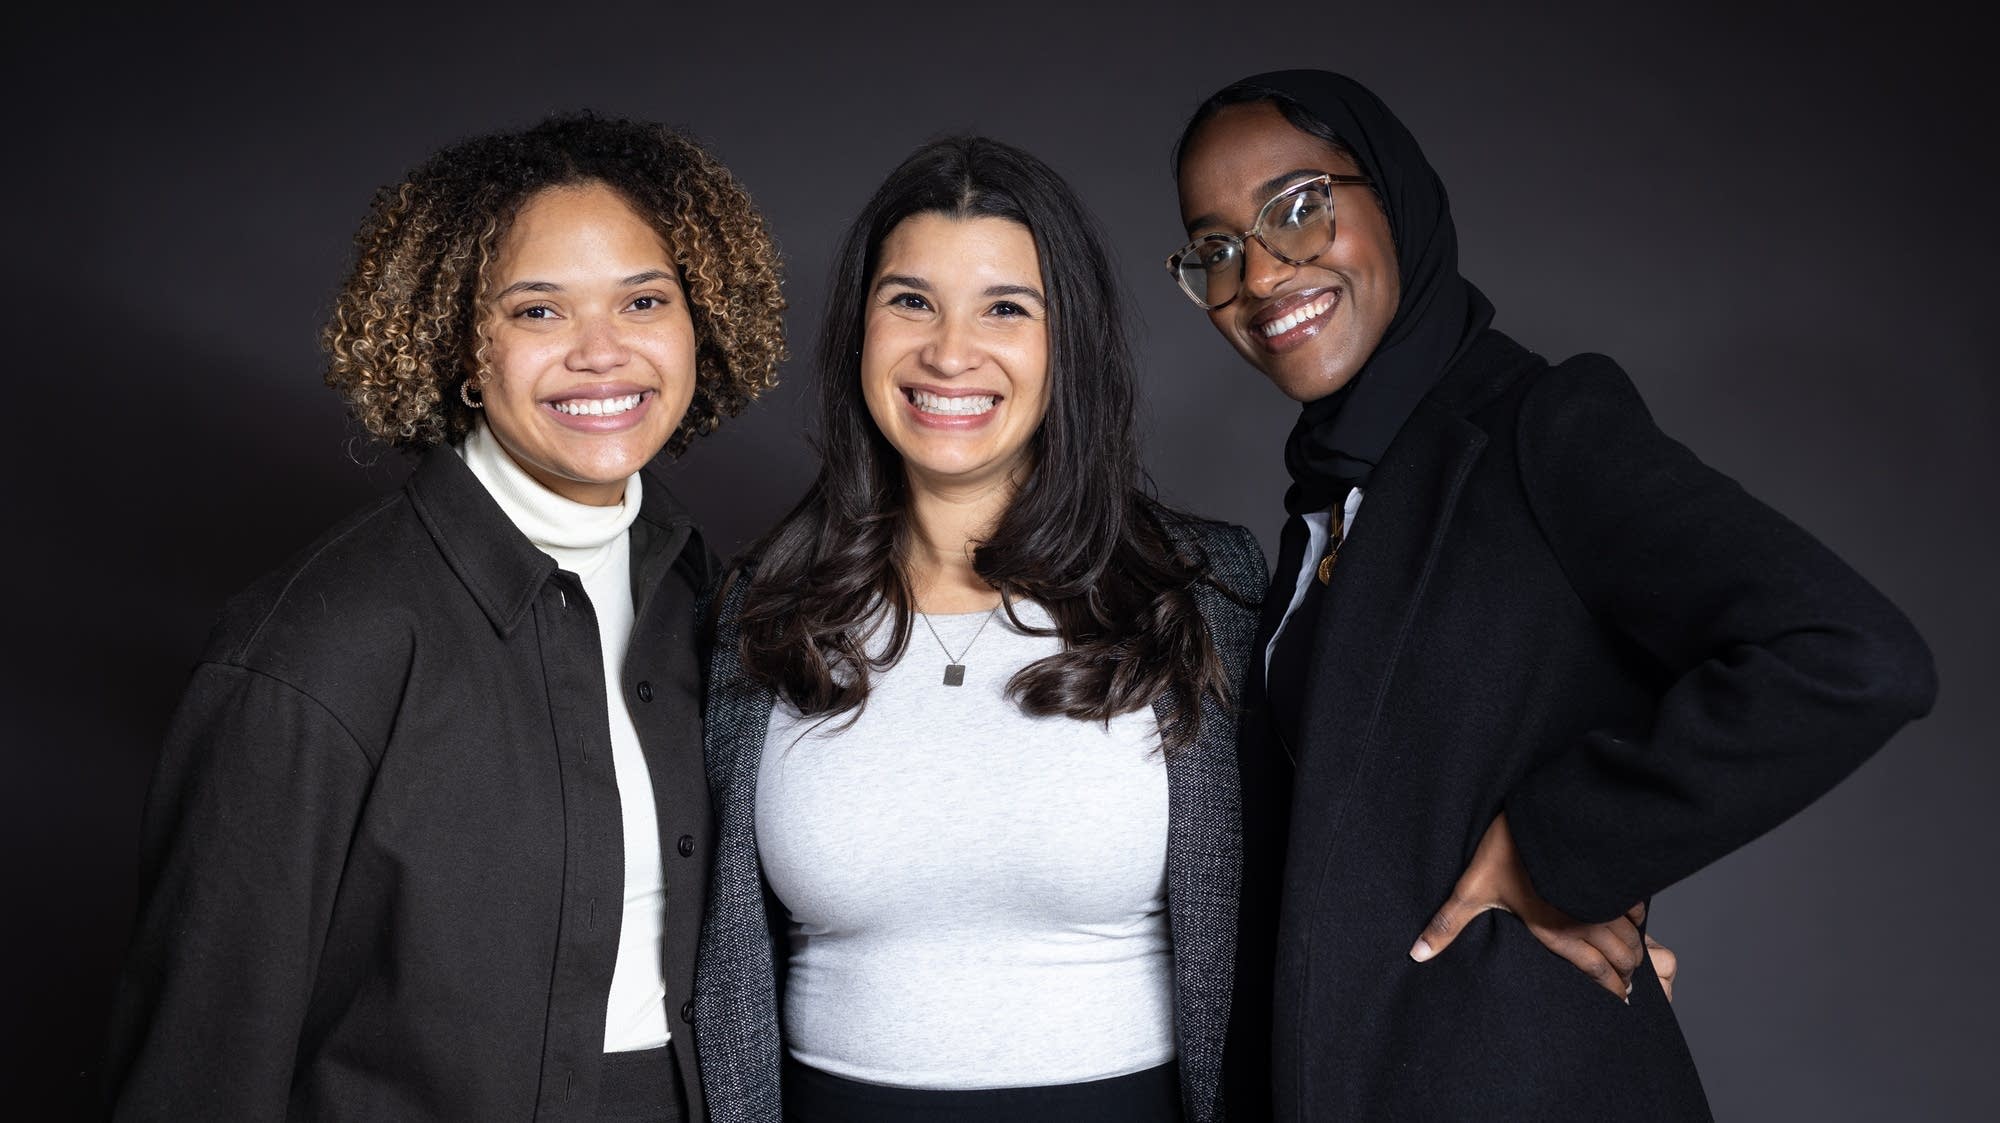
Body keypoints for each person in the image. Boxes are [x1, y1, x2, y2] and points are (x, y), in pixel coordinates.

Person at [1167, 69, 1937, 1119]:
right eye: (1214, 248)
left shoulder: (1531, 428)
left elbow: (1849, 654)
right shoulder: (1334, 499)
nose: (1258, 273)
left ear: (1390, 197)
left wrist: (1560, 847)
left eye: (1298, 208)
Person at [104, 113, 786, 1122]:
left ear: (701, 323)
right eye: (537, 312)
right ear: (462, 351)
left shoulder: (707, 600)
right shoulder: (319, 643)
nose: (603, 354)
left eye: (643, 299)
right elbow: (202, 1056)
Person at [690, 136, 1267, 1123]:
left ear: (1065, 342)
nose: (949, 351)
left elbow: (1359, 829)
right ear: (858, 334)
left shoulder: (1199, 585)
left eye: (1005, 307)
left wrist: (1550, 869)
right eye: (909, 300)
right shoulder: (762, 604)